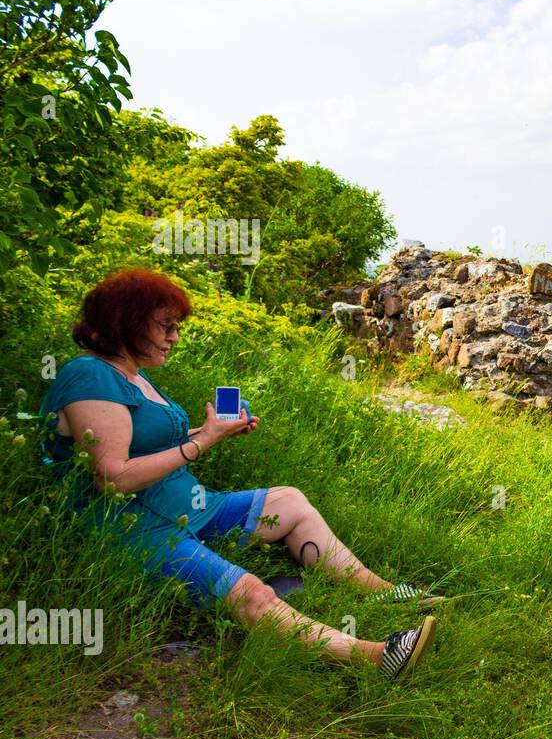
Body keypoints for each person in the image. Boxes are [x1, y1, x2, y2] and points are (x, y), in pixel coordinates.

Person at [38, 269, 439, 681]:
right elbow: (114, 478)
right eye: (165, 326)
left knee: (290, 501)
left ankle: (387, 594)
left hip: (187, 506)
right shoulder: (89, 375)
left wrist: (214, 431)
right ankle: (377, 657)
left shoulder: (134, 375)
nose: (174, 337)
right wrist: (202, 441)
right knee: (251, 591)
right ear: (126, 320)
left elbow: (149, 445)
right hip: (132, 526)